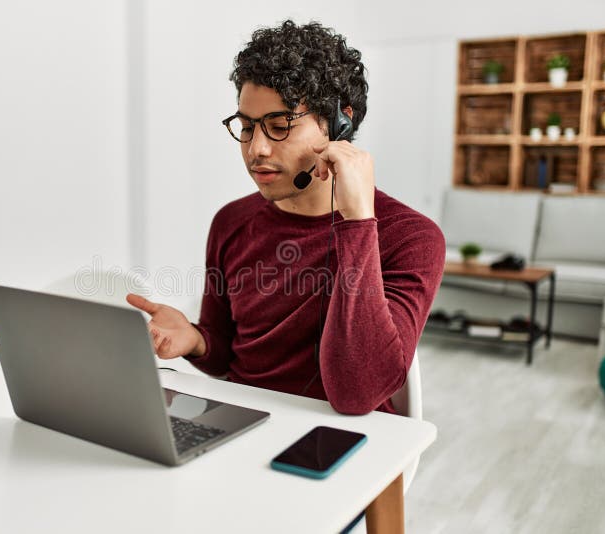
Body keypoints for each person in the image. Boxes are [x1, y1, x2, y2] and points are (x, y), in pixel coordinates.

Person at [127, 20, 445, 415]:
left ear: (339, 123)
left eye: (279, 127)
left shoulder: (410, 237)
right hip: (241, 424)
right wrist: (195, 340)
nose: (256, 148)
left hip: (348, 443)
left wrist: (358, 222)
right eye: (246, 127)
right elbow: (228, 354)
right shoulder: (231, 222)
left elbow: (357, 394)